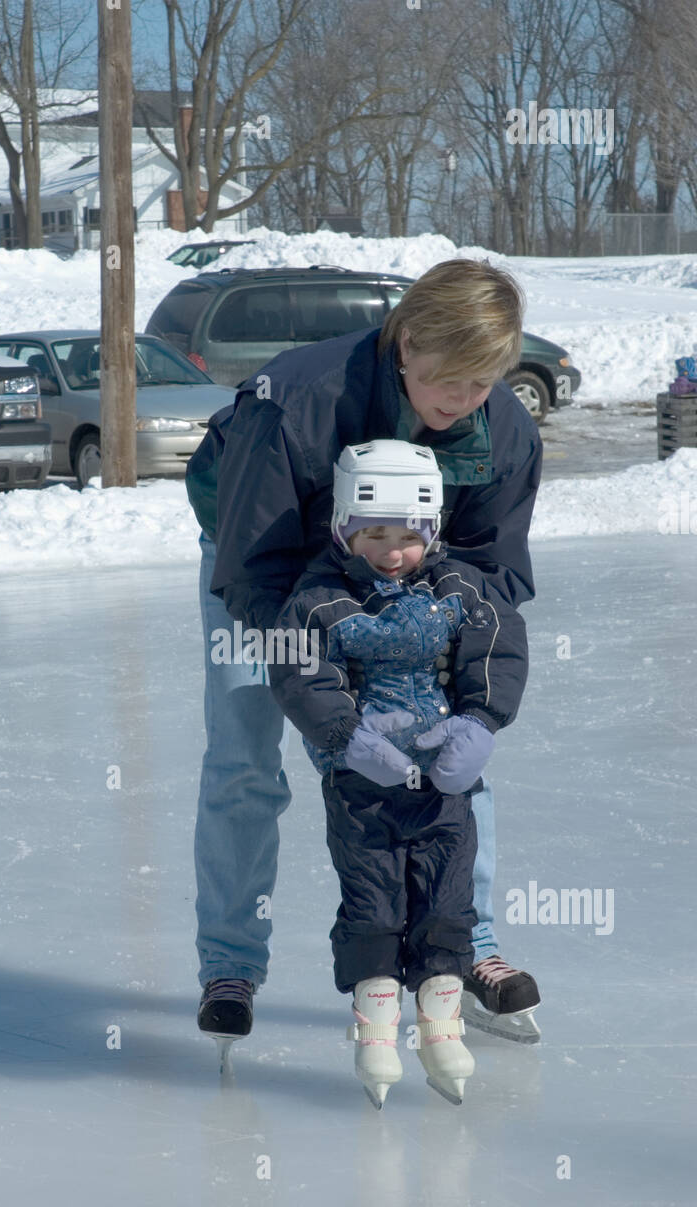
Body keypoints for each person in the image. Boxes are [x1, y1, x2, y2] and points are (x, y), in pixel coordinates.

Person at [188, 257, 543, 1050]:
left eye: (481, 385)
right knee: (246, 758)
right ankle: (231, 964)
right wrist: (330, 714)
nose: (461, 404)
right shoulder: (302, 402)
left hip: (410, 576)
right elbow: (253, 567)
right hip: (267, 567)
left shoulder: (502, 429)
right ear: (406, 341)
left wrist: (471, 690)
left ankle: (471, 948)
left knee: (448, 752)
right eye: (448, 381)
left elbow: (492, 572)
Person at [263, 439, 529, 1107]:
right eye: (373, 533)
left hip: (444, 782)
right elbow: (298, 671)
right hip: (362, 791)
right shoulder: (317, 597)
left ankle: (441, 1028)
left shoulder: (458, 587)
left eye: (407, 535)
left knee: (446, 901)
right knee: (374, 903)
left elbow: (497, 644)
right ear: (344, 529)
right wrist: (346, 739)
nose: (391, 550)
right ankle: (377, 1030)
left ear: (430, 531)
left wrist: (479, 723)